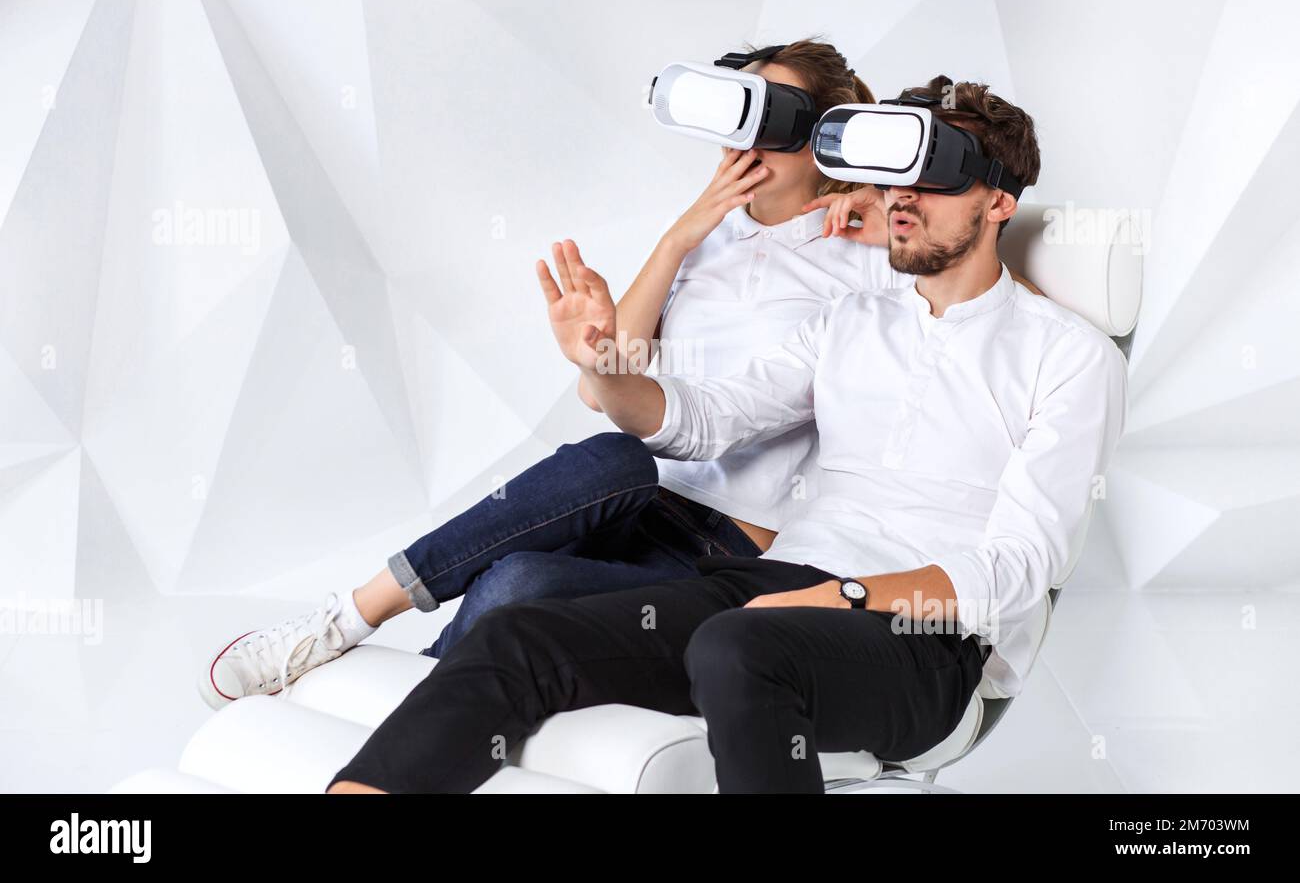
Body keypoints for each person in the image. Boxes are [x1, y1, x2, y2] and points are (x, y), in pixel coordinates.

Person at [325, 76, 1129, 794]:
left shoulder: (1070, 356)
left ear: (998, 203)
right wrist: (607, 366)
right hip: (775, 587)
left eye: (937, 178)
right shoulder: (851, 319)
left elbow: (1020, 569)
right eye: (894, 180)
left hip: (924, 639)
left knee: (737, 648)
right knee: (522, 632)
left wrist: (848, 596)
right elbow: (708, 419)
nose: (904, 199)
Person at [198, 39, 923, 708]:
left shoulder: (872, 264)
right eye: (741, 116)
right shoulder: (709, 240)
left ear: (825, 140)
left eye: (775, 122)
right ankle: (338, 622)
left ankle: (418, 701)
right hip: (629, 495)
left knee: (516, 581)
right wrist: (674, 242)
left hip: (720, 547)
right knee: (616, 456)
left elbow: (991, 277)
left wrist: (879, 198)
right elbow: (600, 390)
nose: (747, 144)